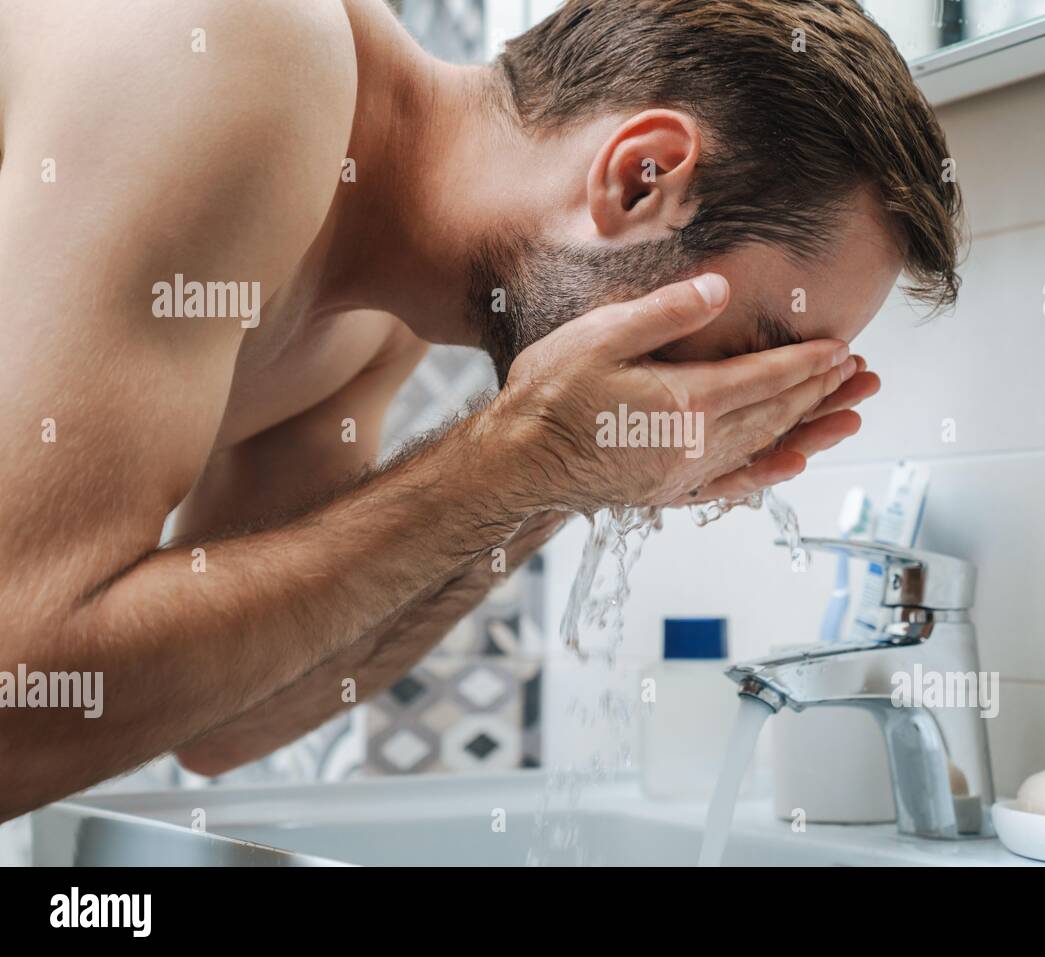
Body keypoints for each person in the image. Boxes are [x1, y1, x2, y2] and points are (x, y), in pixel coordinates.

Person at [0, 0, 961, 821]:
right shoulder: (243, 52)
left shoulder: (372, 327)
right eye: (762, 346)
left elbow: (221, 717)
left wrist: (564, 479)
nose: (757, 404)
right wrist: (525, 457)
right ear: (640, 179)